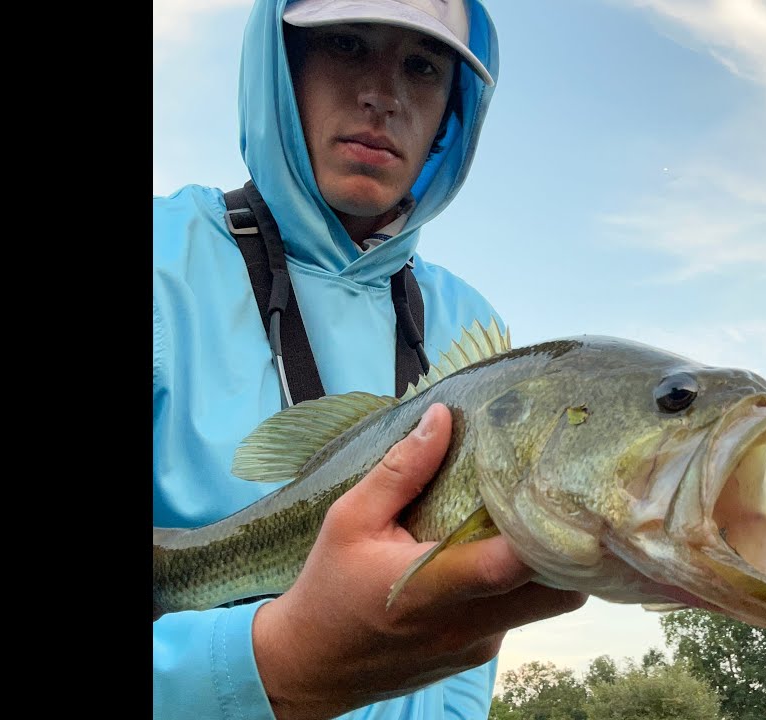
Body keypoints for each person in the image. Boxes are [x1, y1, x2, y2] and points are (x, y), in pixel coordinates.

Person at [152, 1, 588, 718]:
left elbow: (472, 631)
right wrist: (275, 668)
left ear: (456, 107)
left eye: (422, 65)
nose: (382, 94)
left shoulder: (475, 323)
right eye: (347, 44)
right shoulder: (164, 257)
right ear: (280, 67)